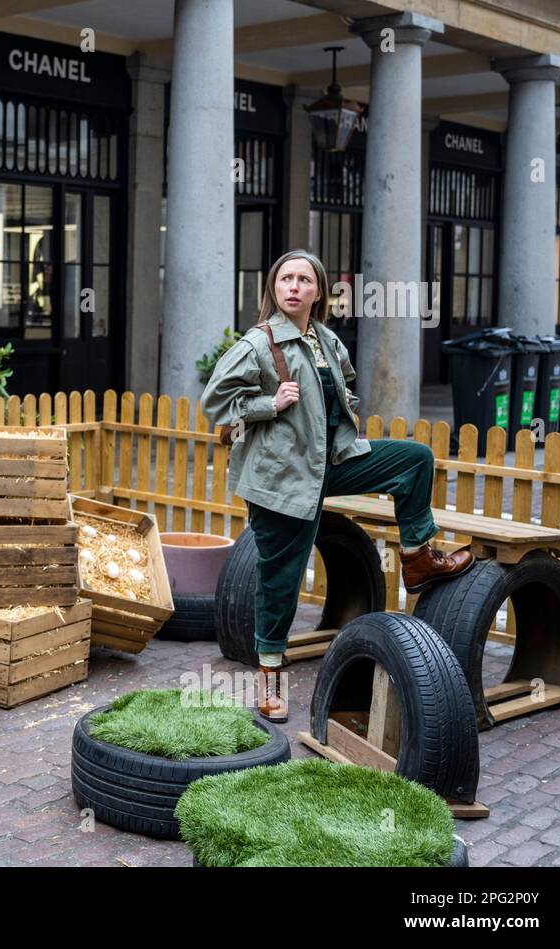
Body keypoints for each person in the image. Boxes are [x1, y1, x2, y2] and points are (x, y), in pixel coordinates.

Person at [199, 250, 474, 723]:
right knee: (280, 578)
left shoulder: (325, 340)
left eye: (304, 279)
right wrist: (270, 403)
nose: (293, 286)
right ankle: (269, 677)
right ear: (273, 288)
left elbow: (344, 386)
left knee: (414, 460)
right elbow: (215, 401)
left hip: (329, 463)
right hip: (279, 478)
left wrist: (343, 410)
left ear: (318, 292)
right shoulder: (260, 343)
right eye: (285, 278)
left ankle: (417, 558)